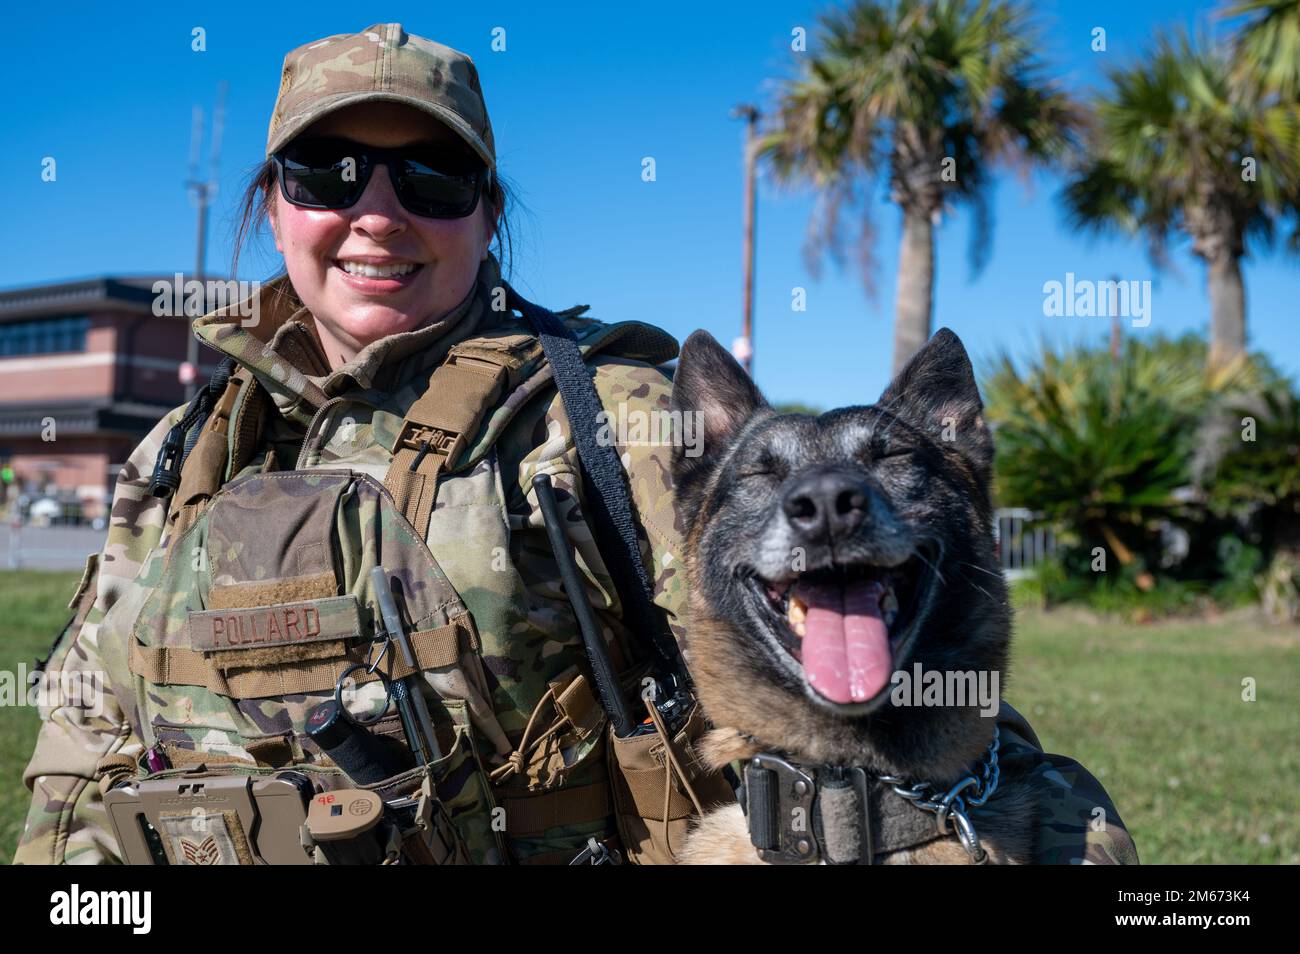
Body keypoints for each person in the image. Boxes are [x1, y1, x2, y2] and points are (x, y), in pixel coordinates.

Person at [13, 23, 1136, 866]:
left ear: (487, 212)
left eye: (432, 176)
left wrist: (1036, 816)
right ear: (276, 205)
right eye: (329, 172)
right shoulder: (183, 448)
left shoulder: (604, 415)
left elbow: (851, 663)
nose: (378, 209)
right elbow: (81, 733)